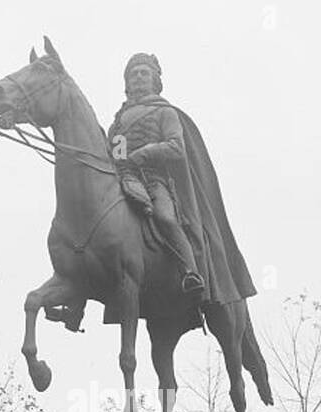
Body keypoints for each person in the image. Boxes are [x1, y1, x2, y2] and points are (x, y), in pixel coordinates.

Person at [106, 53, 257, 311]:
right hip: (123, 180)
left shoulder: (165, 112)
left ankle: (191, 272)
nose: (139, 78)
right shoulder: (117, 122)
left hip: (154, 181)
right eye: (134, 74)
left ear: (155, 80)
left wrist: (142, 154)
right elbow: (114, 154)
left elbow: (176, 147)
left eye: (144, 73)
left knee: (165, 218)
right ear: (127, 83)